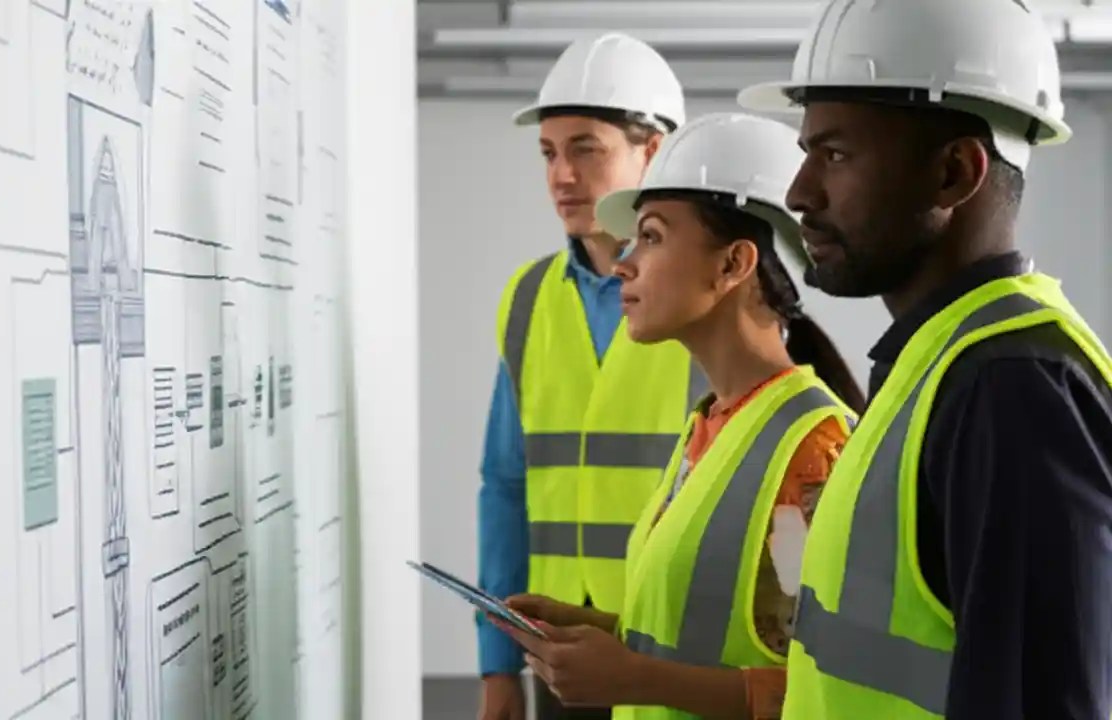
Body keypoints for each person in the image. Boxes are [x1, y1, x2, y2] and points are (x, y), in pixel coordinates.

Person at [732, 0, 1112, 717]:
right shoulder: (934, 363)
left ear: (955, 173)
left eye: (834, 154)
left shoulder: (1010, 386)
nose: (798, 192)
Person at [494, 112, 865, 720]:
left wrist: (636, 678)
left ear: (732, 265)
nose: (624, 264)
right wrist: (600, 631)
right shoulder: (713, 425)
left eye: (654, 237)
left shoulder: (810, 449)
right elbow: (711, 634)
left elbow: (823, 690)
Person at [477, 33, 709, 720]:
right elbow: (505, 485)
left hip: (675, 646)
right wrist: (497, 664)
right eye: (549, 152)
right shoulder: (527, 299)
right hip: (556, 649)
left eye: (586, 148)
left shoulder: (710, 295)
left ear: (654, 150)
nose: (561, 176)